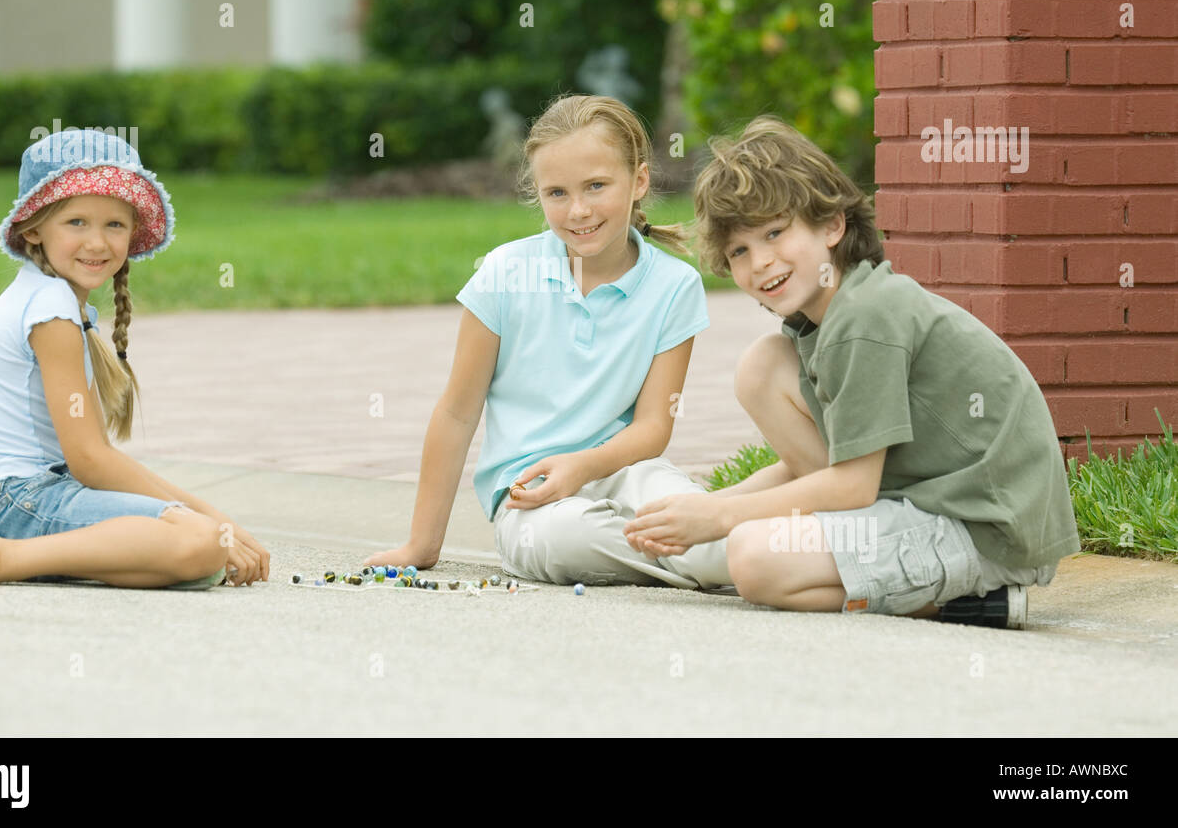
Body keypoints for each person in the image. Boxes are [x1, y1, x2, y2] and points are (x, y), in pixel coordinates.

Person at [623, 115, 1081, 628]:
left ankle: (974, 605)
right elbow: (821, 468)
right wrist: (699, 508)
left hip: (985, 529)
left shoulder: (864, 319)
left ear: (832, 225)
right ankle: (861, 562)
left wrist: (720, 517)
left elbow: (853, 487)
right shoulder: (825, 320)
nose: (762, 262)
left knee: (754, 557)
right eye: (740, 251)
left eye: (776, 232)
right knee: (762, 367)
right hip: (924, 502)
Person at [366, 94, 732, 590]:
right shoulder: (504, 273)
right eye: (556, 193)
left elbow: (652, 427)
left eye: (596, 186)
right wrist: (422, 545)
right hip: (533, 495)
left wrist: (583, 466)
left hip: (624, 470)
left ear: (639, 181)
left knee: (687, 514)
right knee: (569, 536)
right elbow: (457, 414)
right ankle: (704, 561)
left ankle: (724, 554)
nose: (578, 210)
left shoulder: (674, 286)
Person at [0, 129, 270, 589]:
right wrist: (210, 523)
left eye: (114, 224)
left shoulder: (55, 298)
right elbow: (89, 459)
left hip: (17, 498)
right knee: (202, 544)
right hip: (13, 502)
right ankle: (1, 558)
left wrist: (215, 521)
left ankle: (55, 557)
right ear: (33, 228)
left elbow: (94, 459)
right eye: (76, 223)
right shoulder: (49, 307)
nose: (97, 242)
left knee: (203, 549)